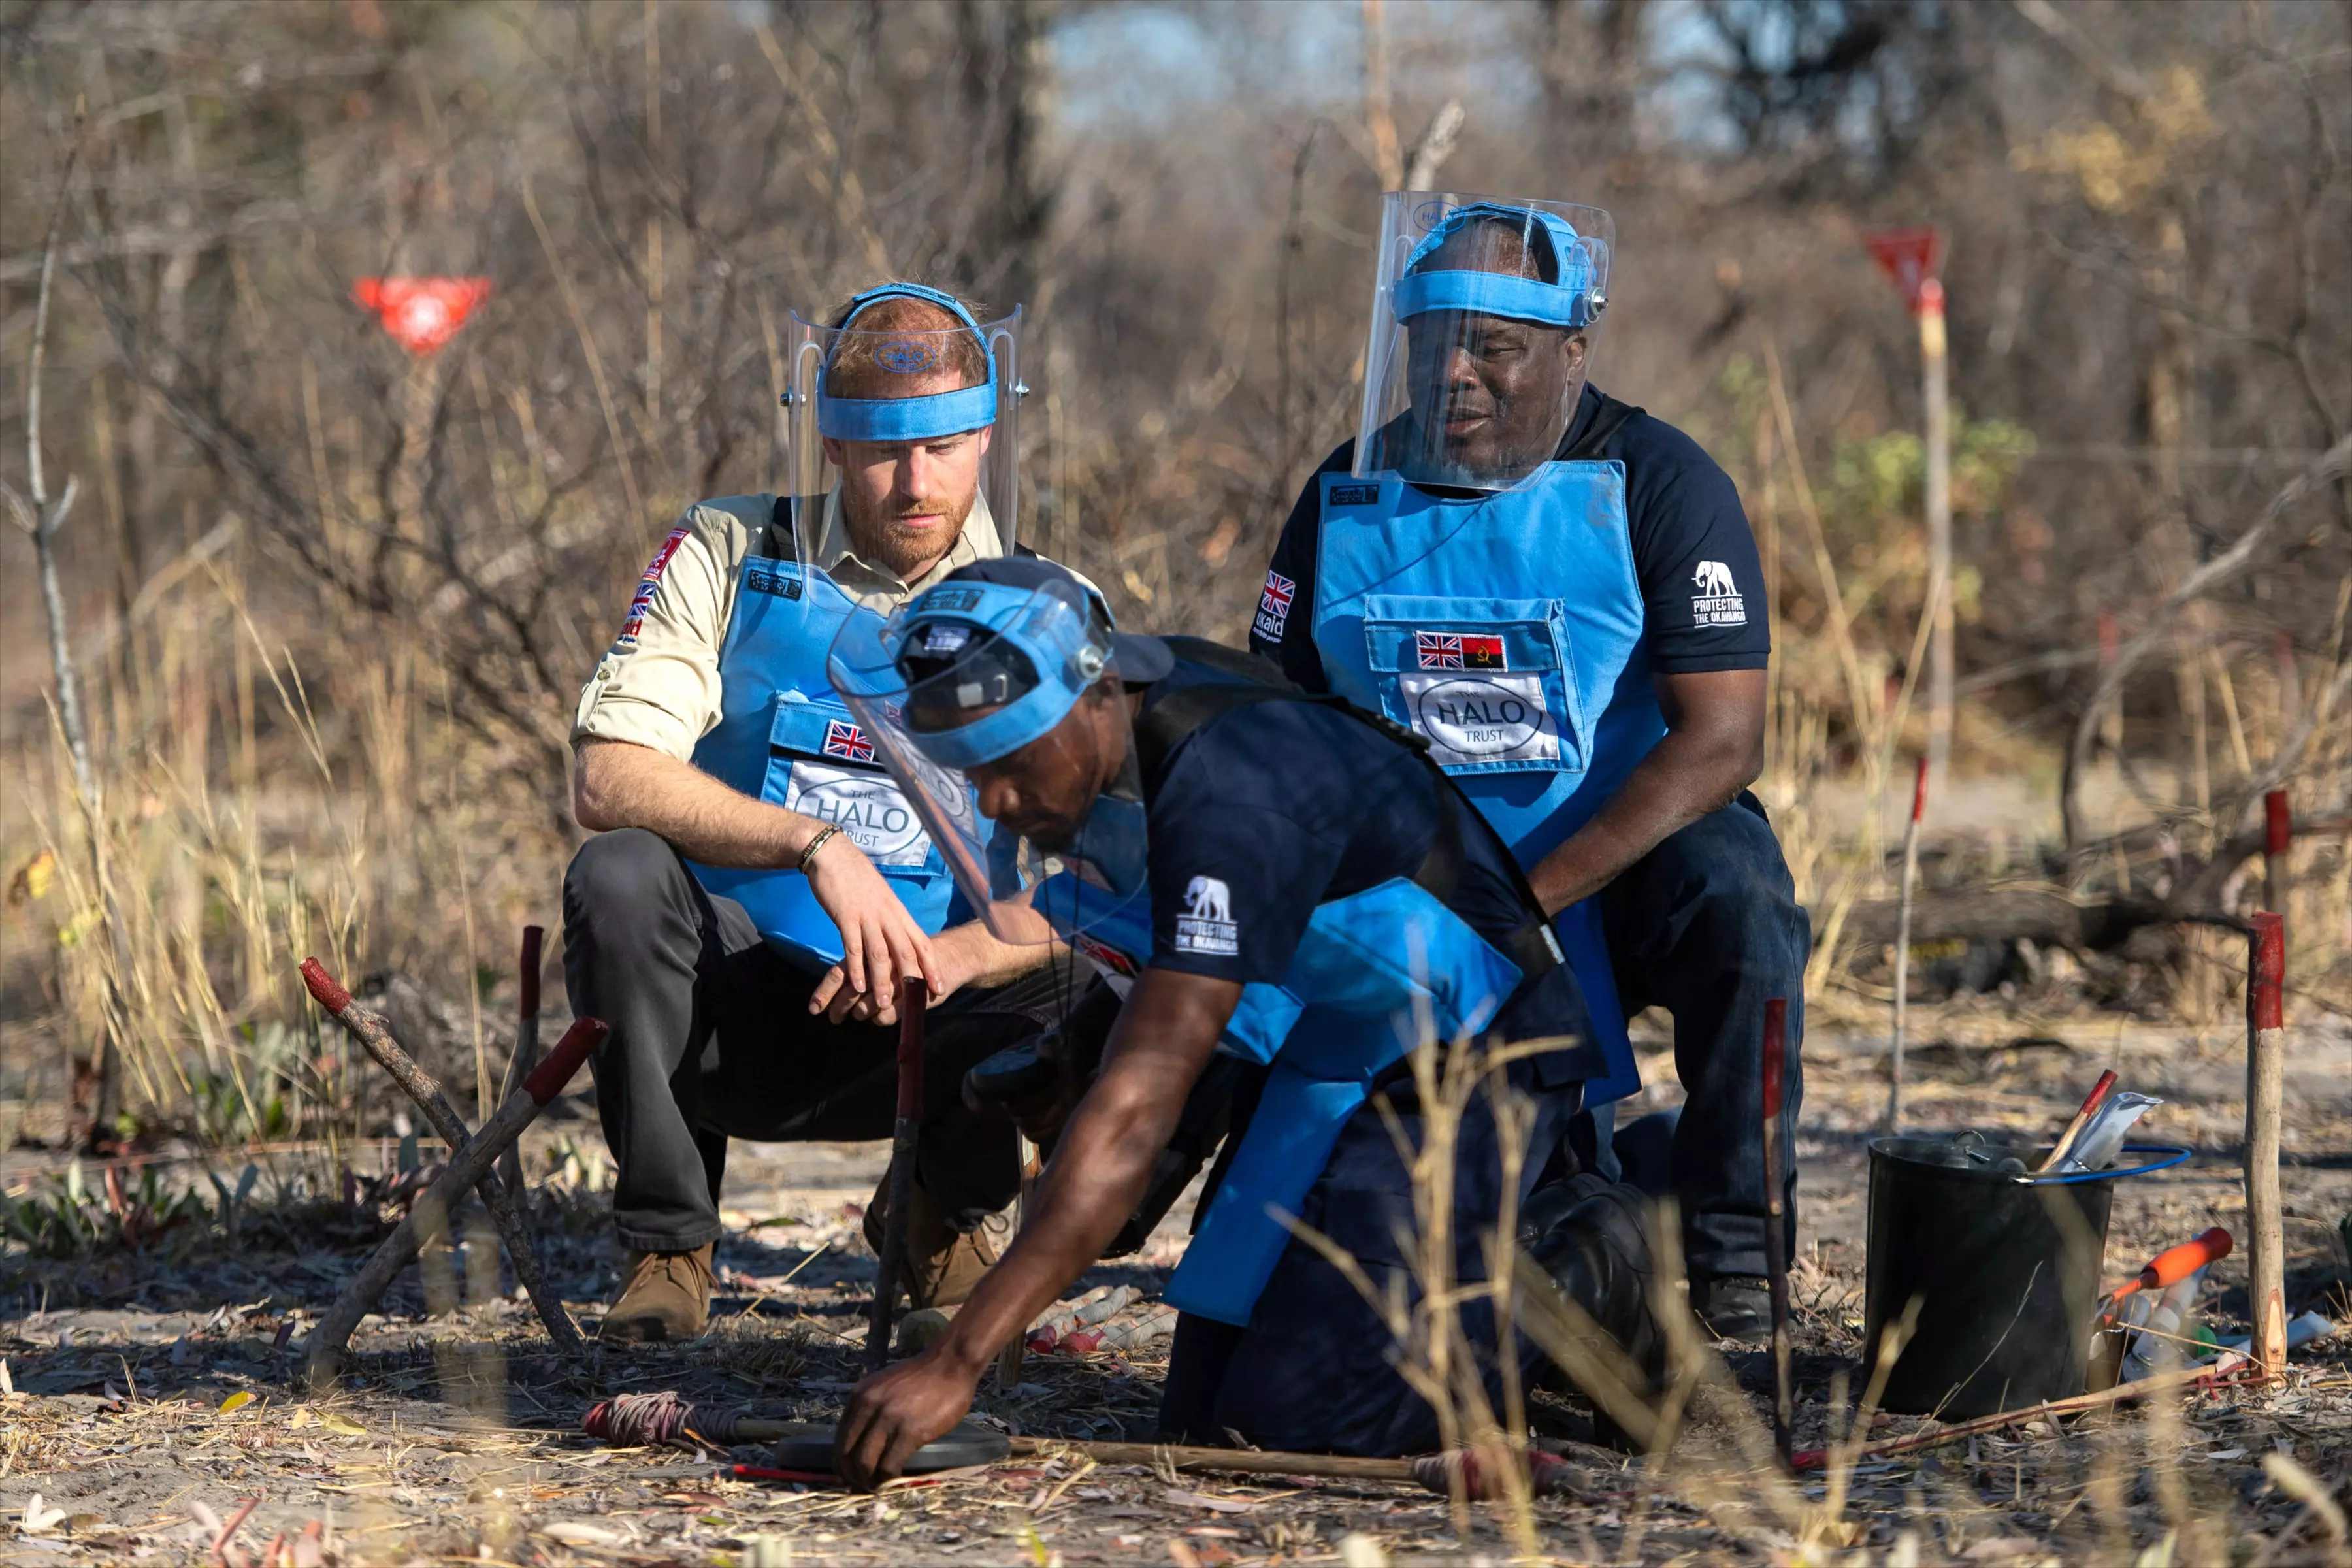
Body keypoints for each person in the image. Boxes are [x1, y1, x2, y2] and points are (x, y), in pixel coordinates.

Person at [820, 557, 1663, 1480]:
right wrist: (1079, 1048)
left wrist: (958, 1359)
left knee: (1319, 1429)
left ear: (1099, 694)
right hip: (1326, 1038)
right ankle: (1439, 1300)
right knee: (1207, 1427)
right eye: (971, 773)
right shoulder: (1133, 718)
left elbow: (1140, 1108)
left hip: (1474, 1043)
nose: (993, 803)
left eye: (1014, 764)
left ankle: (1597, 1261)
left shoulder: (1233, 788)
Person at [1247, 193, 1810, 1337]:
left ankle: (1740, 1249)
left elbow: (1723, 738)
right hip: (1422, 881)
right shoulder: (1347, 488)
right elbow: (1276, 712)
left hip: (1608, 855)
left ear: (1572, 351)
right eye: (1430, 342)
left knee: (1742, 901)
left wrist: (1525, 905)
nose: (1455, 374)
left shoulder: (1660, 479)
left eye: (1494, 347)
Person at [563, 282, 1082, 1343]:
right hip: (738, 1009)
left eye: (942, 445)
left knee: (1089, 961)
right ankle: (671, 1241)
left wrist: (957, 960)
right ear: (832, 446)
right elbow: (608, 776)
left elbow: (1106, 873)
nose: (914, 480)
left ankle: (948, 1208)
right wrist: (817, 846)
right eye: (882, 449)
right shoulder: (730, 549)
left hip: (931, 1017)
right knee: (616, 875)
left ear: (987, 431)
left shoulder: (1046, 600)